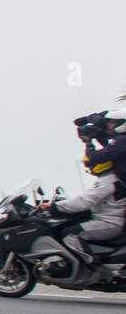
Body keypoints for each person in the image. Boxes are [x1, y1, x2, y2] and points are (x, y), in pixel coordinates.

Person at [40, 108, 126, 265]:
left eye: (112, 122)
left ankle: (91, 266)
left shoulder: (109, 179)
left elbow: (86, 200)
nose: (108, 126)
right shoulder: (113, 172)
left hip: (110, 222)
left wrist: (54, 207)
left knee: (70, 233)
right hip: (110, 218)